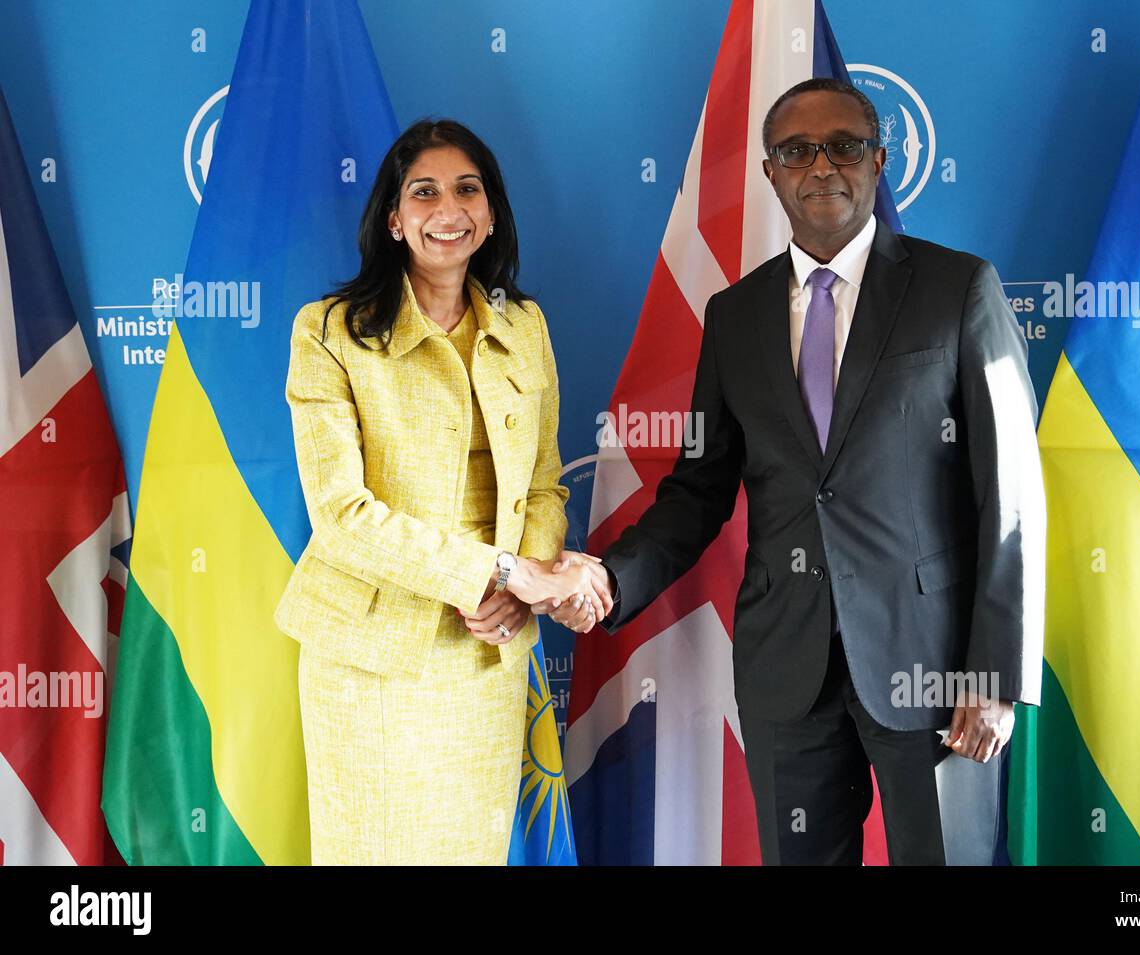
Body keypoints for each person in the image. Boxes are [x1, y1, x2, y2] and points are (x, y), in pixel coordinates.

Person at [545, 79, 1045, 865]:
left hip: (936, 669)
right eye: (797, 150)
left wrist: (994, 670)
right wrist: (610, 578)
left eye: (844, 145)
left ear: (879, 162)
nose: (822, 164)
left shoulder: (958, 289)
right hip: (787, 670)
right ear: (770, 172)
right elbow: (699, 490)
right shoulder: (734, 316)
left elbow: (1010, 497)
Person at [274, 119, 608, 865]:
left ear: (491, 214)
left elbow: (547, 483)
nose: (447, 208)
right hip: (369, 655)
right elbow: (341, 518)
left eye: (468, 189)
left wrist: (525, 585)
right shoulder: (329, 332)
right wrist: (498, 572)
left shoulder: (526, 327)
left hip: (484, 648)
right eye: (423, 192)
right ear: (393, 218)